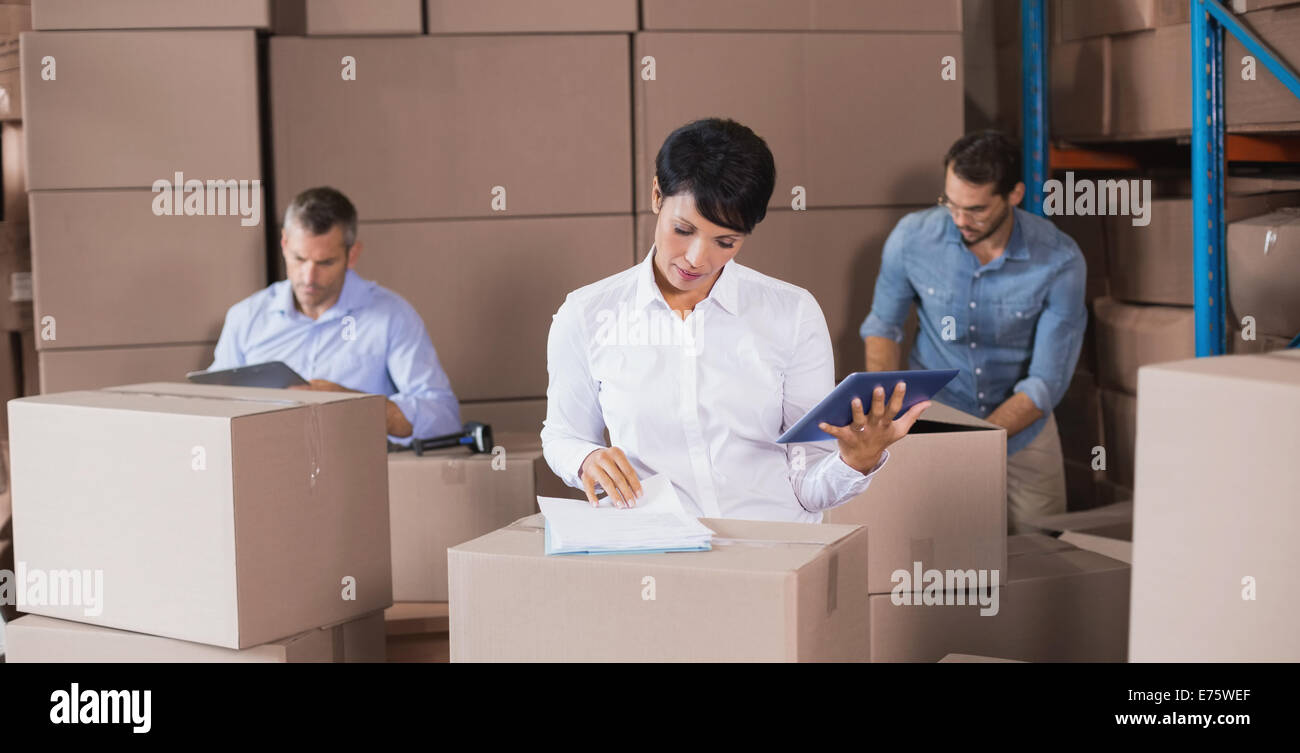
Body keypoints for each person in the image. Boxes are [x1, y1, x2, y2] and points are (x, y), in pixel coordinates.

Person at [541, 118, 929, 521]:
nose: (696, 258)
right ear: (657, 194)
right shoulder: (587, 315)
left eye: (725, 242)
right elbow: (562, 435)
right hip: (653, 551)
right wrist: (585, 458)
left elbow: (809, 486)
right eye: (682, 229)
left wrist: (855, 461)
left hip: (774, 554)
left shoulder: (791, 313)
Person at [860, 131, 1086, 533]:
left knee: (1047, 553)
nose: (960, 220)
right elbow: (883, 327)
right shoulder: (912, 238)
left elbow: (1046, 383)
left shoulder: (1060, 259)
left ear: (1014, 194)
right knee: (936, 549)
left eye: (977, 209)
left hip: (1024, 431)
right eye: (952, 204)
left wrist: (981, 441)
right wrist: (884, 407)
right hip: (934, 418)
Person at [210, 186, 461, 444]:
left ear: (352, 255)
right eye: (299, 258)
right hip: (262, 467)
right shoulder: (245, 317)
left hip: (358, 474)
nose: (308, 277)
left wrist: (355, 407)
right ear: (284, 244)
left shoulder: (392, 317)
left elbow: (444, 418)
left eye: (325, 263)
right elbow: (211, 408)